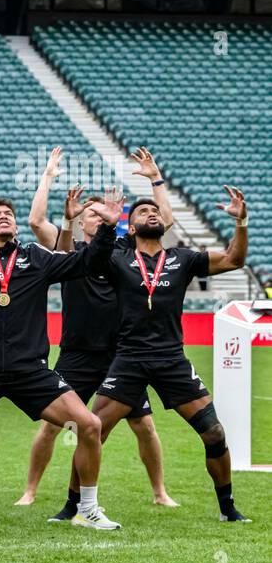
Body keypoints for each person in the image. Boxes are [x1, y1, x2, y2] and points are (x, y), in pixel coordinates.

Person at [0, 191, 119, 533]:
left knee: (89, 425)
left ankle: (87, 509)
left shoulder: (35, 258)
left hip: (30, 373)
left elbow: (88, 263)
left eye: (8, 214)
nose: (4, 217)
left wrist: (108, 228)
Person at [18, 146, 176, 511]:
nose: (95, 216)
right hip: (76, 353)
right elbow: (35, 221)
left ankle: (159, 491)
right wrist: (48, 178)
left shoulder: (123, 249)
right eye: (89, 213)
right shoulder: (68, 251)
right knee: (51, 425)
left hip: (121, 354)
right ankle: (30, 490)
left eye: (99, 212)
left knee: (145, 426)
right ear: (80, 220)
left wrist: (155, 179)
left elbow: (164, 222)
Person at [83, 188, 250, 524]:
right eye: (142, 212)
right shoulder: (117, 258)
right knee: (93, 431)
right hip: (129, 358)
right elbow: (88, 260)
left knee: (214, 433)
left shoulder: (183, 258)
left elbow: (234, 259)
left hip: (172, 359)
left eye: (155, 210)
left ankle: (228, 508)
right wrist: (106, 227)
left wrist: (241, 223)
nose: (151, 213)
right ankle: (79, 506)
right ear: (130, 228)